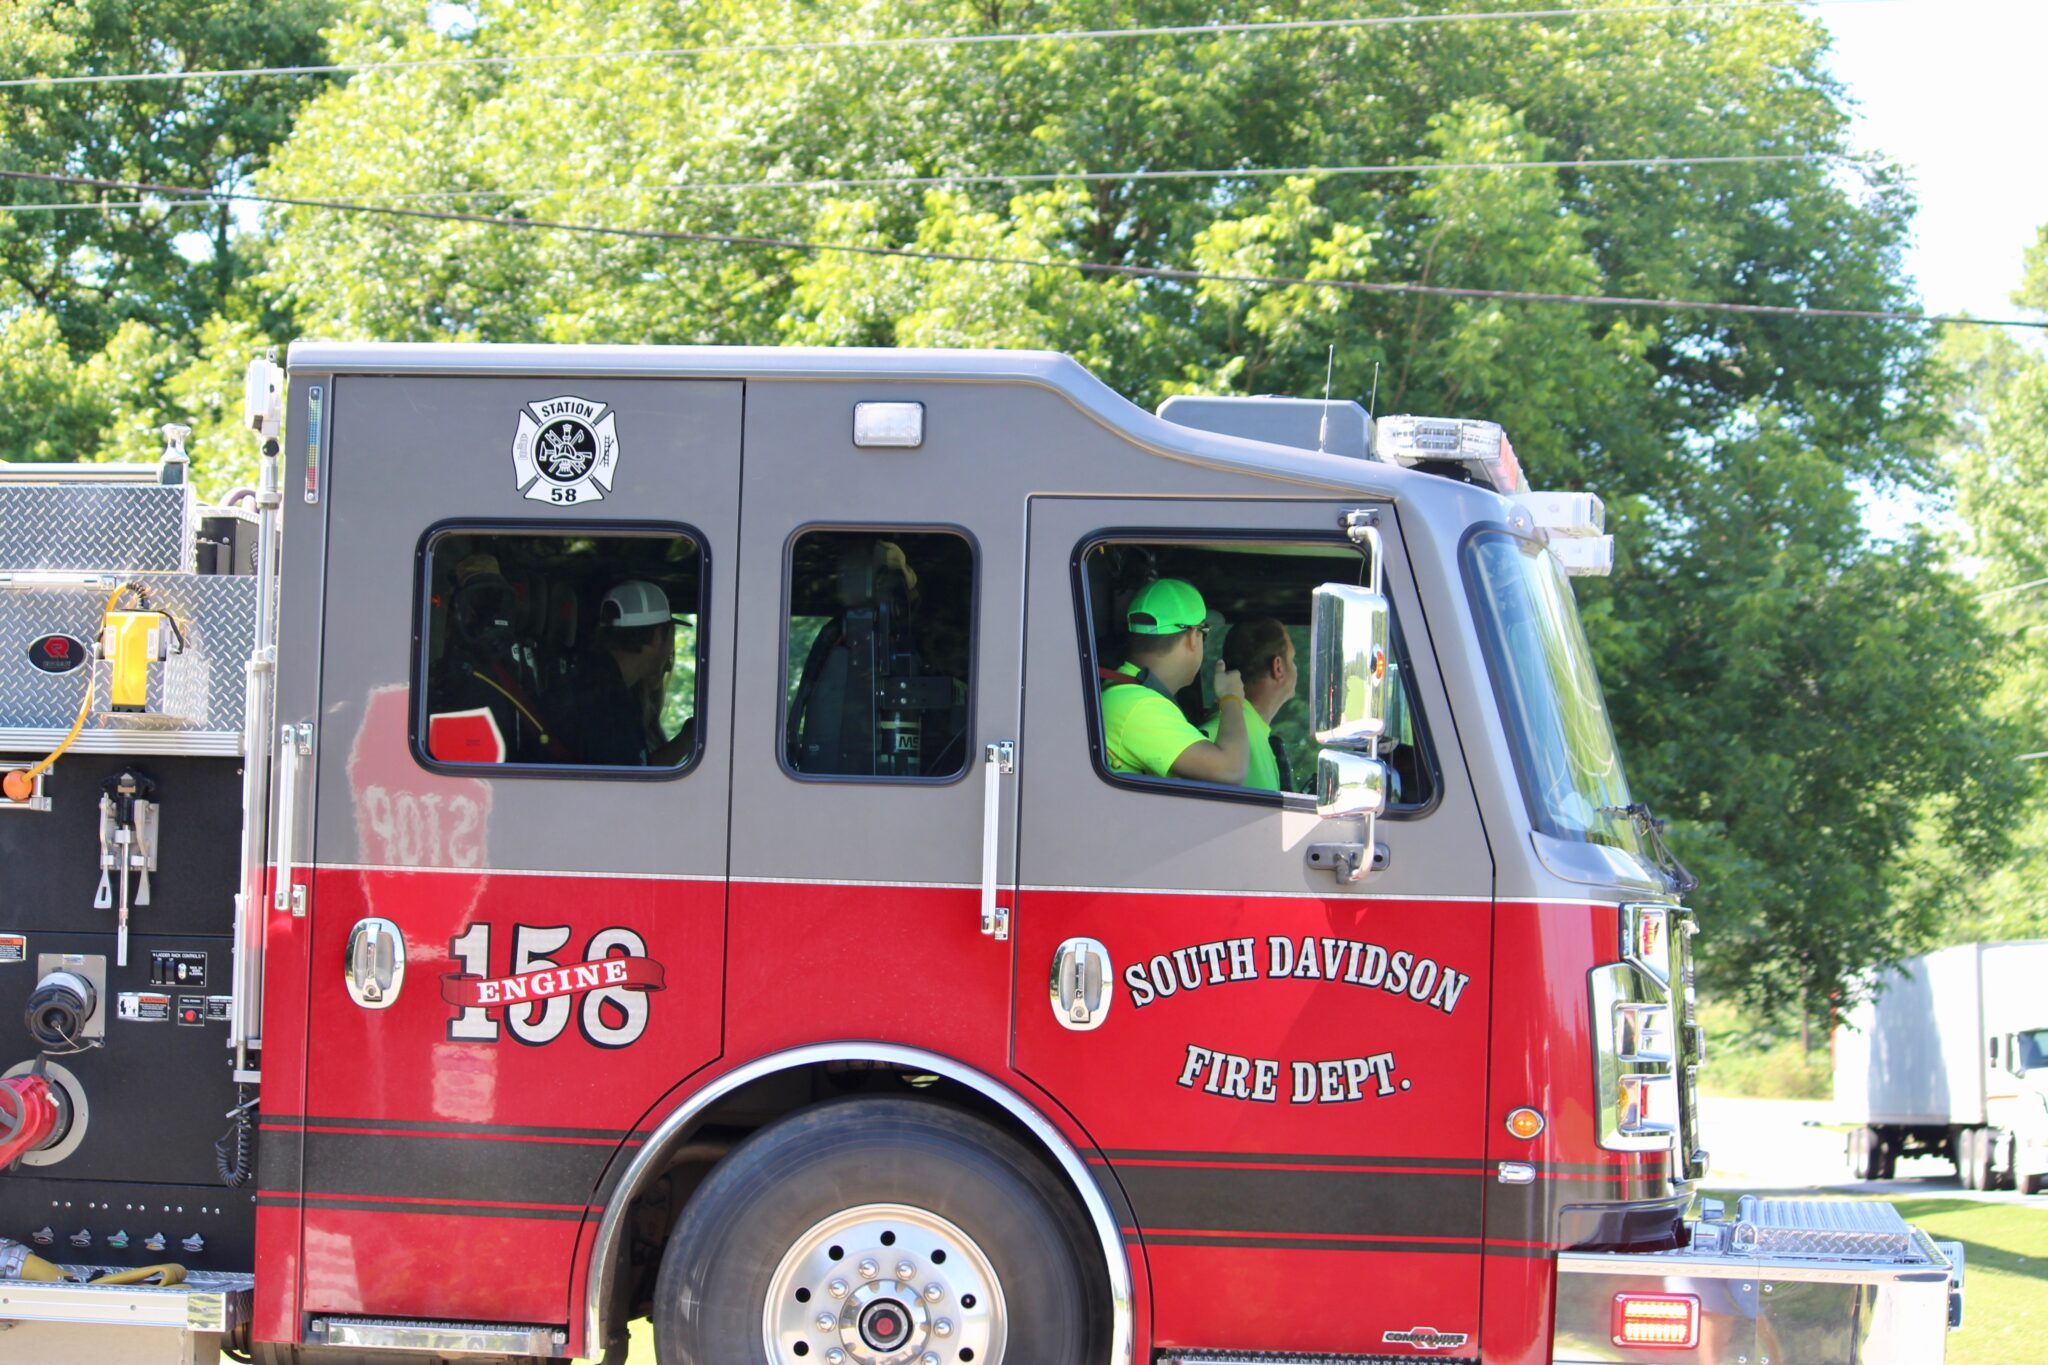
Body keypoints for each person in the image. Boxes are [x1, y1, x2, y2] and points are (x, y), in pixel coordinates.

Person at [1100, 578, 1248, 783]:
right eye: (1204, 632)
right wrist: (1231, 699)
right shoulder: (1138, 704)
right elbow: (1230, 771)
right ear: (1192, 637)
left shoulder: (1129, 694)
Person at [563, 579, 692, 766]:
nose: (671, 651)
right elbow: (630, 785)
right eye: (672, 633)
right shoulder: (607, 705)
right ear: (657, 636)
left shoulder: (598, 686)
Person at [1202, 617, 1298, 792]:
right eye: (1292, 659)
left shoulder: (1255, 732)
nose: (1295, 667)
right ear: (1278, 668)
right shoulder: (1216, 734)